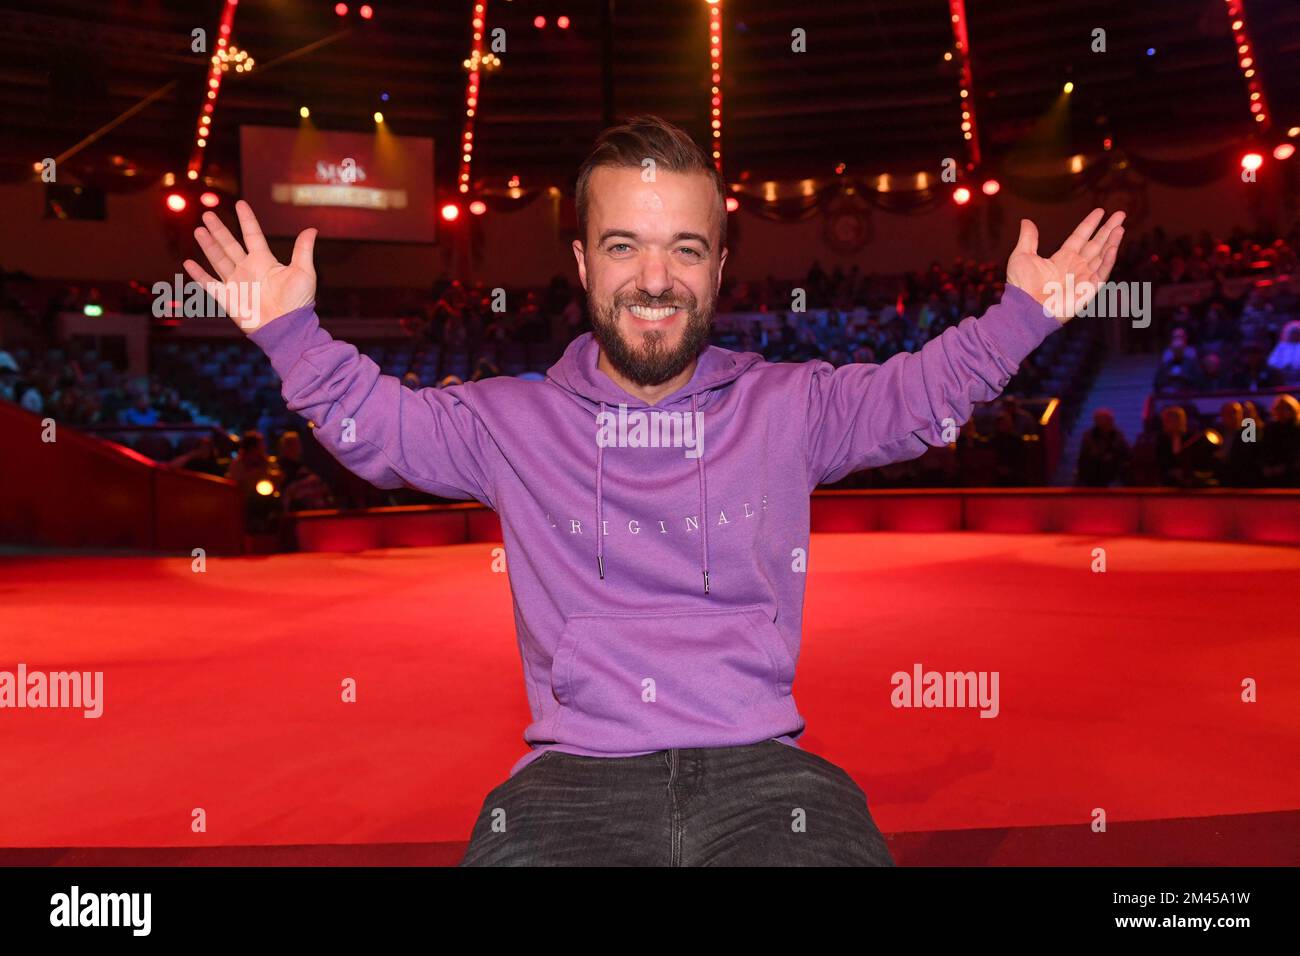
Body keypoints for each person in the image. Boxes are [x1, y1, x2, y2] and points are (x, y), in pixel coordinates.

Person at [183, 114, 1126, 867]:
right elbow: (378, 431)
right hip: (567, 792)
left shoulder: (789, 406)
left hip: (769, 779)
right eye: (624, 245)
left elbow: (918, 397)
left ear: (719, 267)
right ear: (586, 264)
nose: (653, 279)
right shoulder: (507, 422)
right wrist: (291, 338)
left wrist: (1022, 318)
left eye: (684, 248)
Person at [1076, 408, 1130, 486]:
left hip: (1114, 472)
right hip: (1094, 473)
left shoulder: (1118, 435)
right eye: (1108, 420)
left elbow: (1126, 452)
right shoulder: (1089, 436)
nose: (1111, 422)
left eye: (1111, 419)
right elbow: (1087, 455)